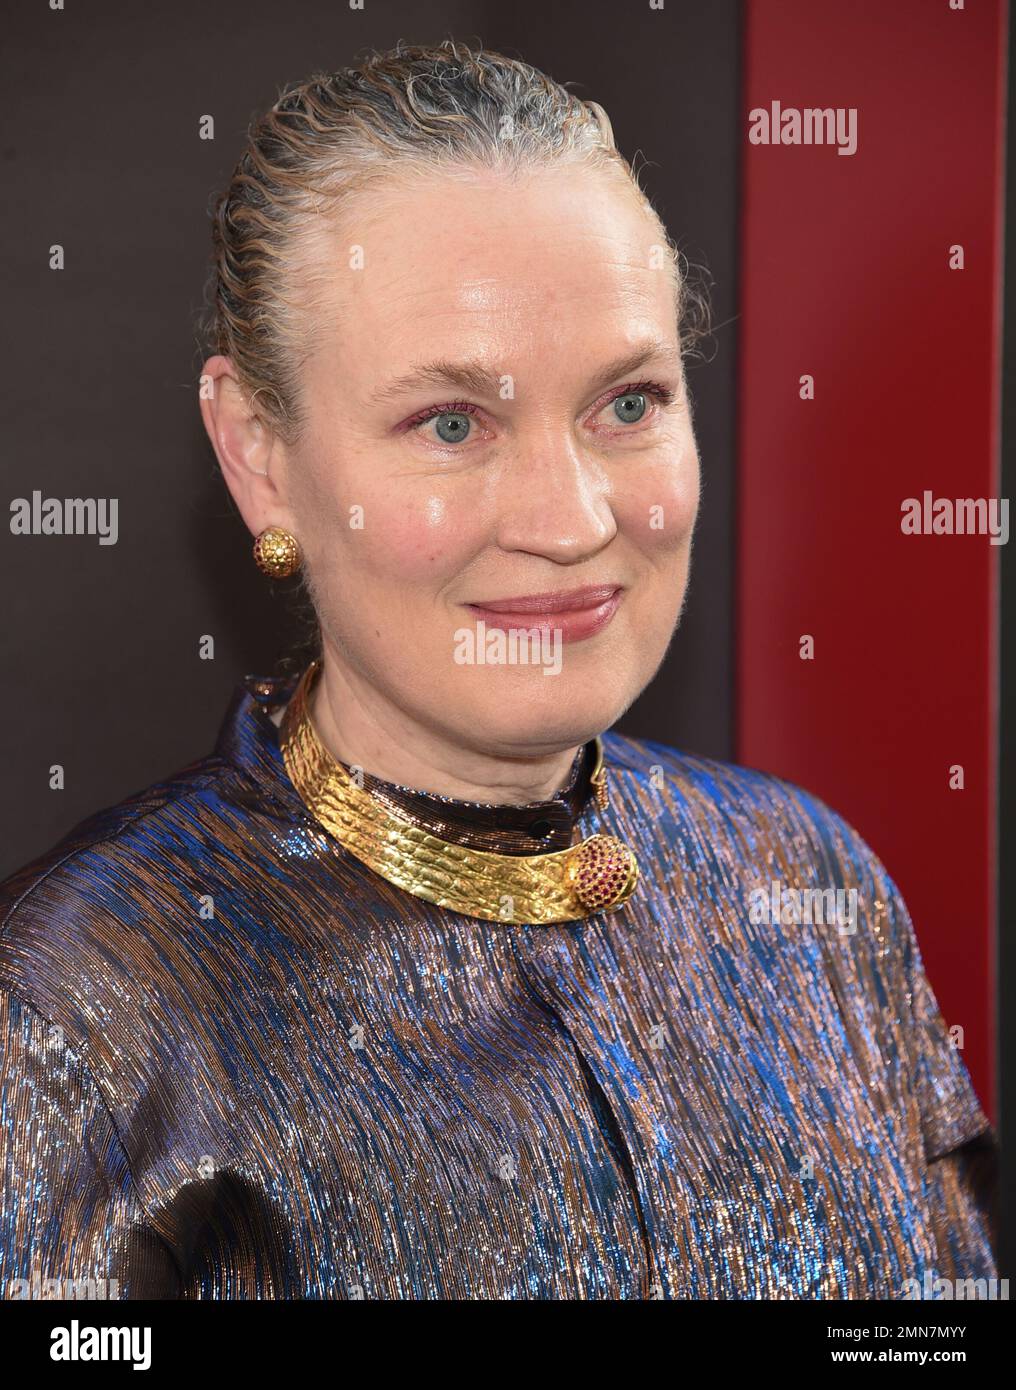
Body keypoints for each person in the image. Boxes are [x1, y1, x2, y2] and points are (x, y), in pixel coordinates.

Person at [0, 39, 996, 1300]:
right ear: (259, 454)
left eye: (626, 403)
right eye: (452, 423)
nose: (570, 517)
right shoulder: (77, 1007)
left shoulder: (804, 883)